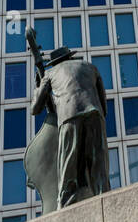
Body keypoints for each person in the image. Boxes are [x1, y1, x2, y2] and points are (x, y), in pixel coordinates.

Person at [31, 45, 110, 208]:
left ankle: (66, 205)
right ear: (70, 57)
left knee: (68, 163)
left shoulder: (50, 74)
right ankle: (105, 200)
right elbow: (104, 103)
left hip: (69, 116)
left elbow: (35, 108)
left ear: (54, 62)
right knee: (98, 166)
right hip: (95, 113)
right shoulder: (89, 66)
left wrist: (38, 88)